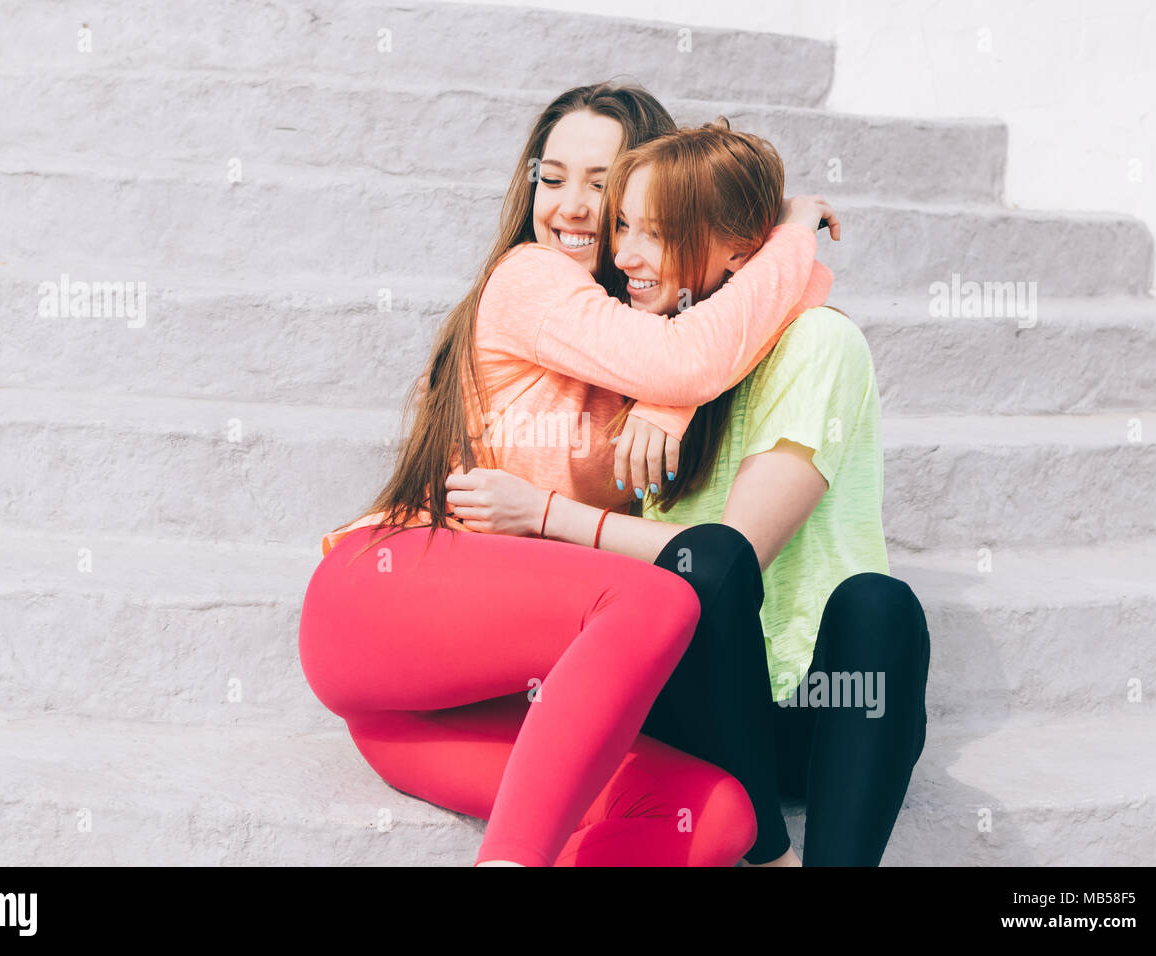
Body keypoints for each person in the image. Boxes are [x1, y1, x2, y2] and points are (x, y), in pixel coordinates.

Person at [298, 82, 839, 866]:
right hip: (382, 598)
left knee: (720, 816)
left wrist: (671, 397)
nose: (572, 206)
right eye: (551, 179)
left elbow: (780, 306)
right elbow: (701, 353)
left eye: (603, 183)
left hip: (436, 720)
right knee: (659, 596)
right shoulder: (530, 277)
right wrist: (794, 229)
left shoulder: (654, 327)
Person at [446, 120, 930, 867]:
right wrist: (665, 402)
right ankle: (768, 854)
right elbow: (691, 360)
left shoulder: (820, 346)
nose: (625, 255)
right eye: (625, 227)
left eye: (657, 234)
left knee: (879, 604)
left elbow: (738, 555)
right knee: (697, 574)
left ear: (742, 251)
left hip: (806, 709)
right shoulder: (671, 359)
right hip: (698, 713)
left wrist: (543, 514)